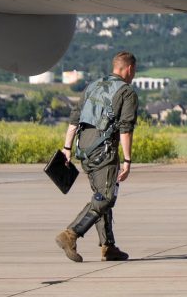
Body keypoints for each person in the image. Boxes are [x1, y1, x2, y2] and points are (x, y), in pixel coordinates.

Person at [55, 51, 140, 262]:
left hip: (84, 148)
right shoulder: (126, 92)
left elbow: (74, 119)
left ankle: (108, 246)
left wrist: (67, 148)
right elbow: (126, 129)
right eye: (134, 71)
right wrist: (127, 161)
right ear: (129, 69)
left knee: (100, 196)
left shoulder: (92, 86)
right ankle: (71, 234)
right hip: (104, 150)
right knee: (106, 197)